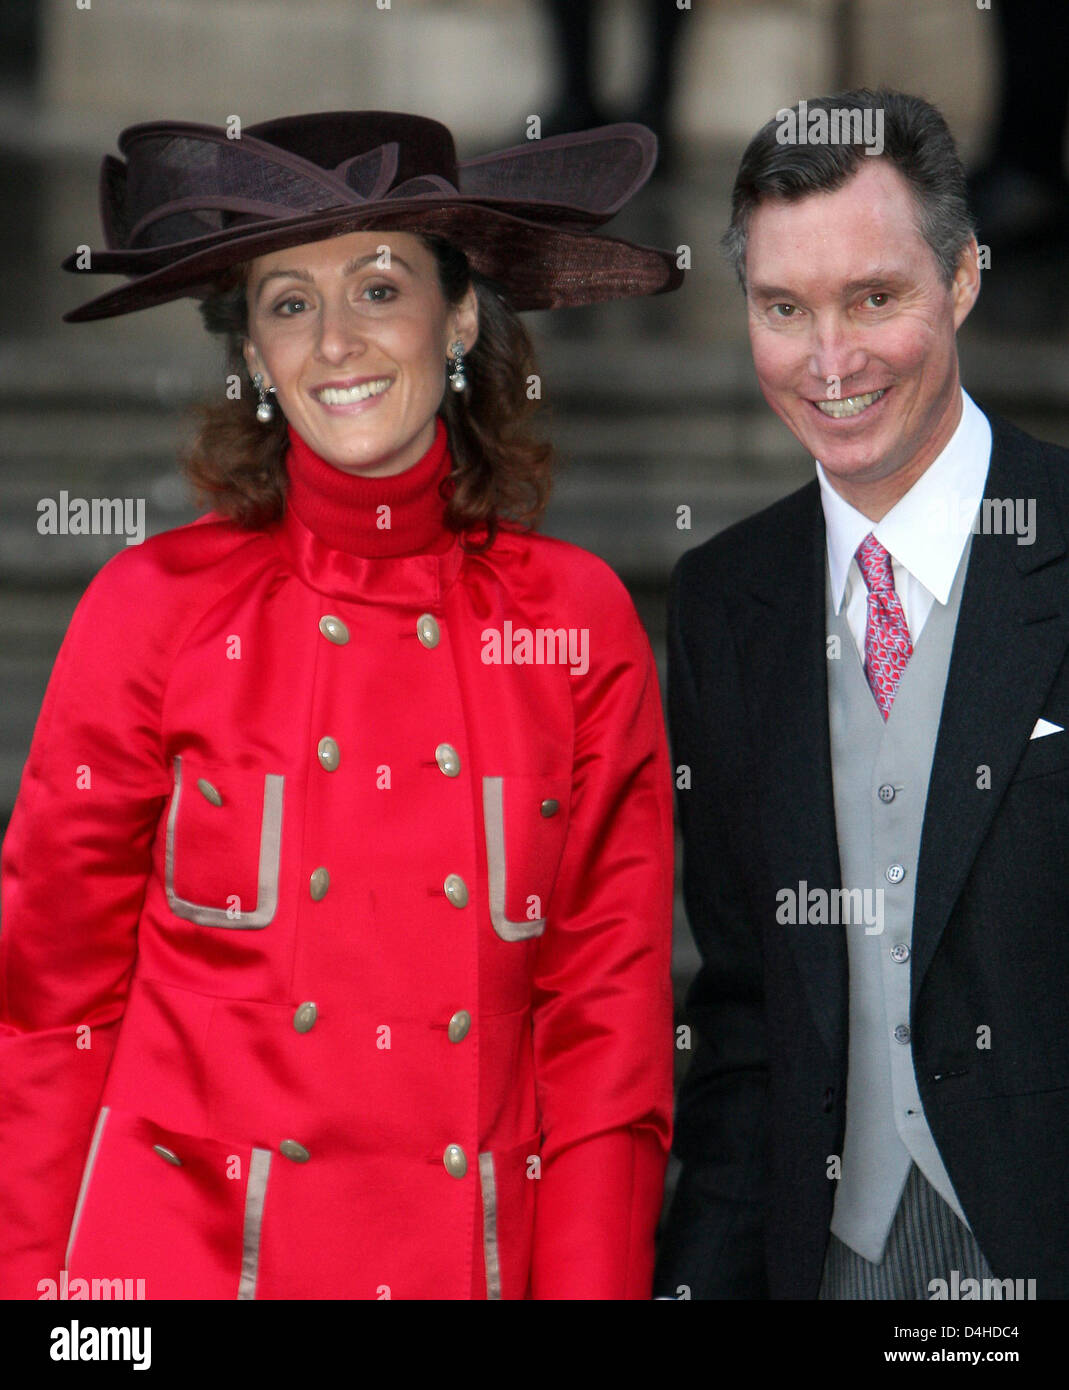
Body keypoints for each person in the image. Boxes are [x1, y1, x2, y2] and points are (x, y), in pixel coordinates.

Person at [0, 111, 681, 1300]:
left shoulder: (577, 629)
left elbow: (606, 1041)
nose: (334, 344)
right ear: (254, 356)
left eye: (377, 286)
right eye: (287, 303)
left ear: (459, 316)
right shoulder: (148, 611)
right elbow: (44, 1013)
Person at [654, 88, 1069, 1300]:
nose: (828, 362)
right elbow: (743, 1020)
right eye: (784, 309)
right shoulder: (726, 603)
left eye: (872, 298)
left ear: (966, 277)